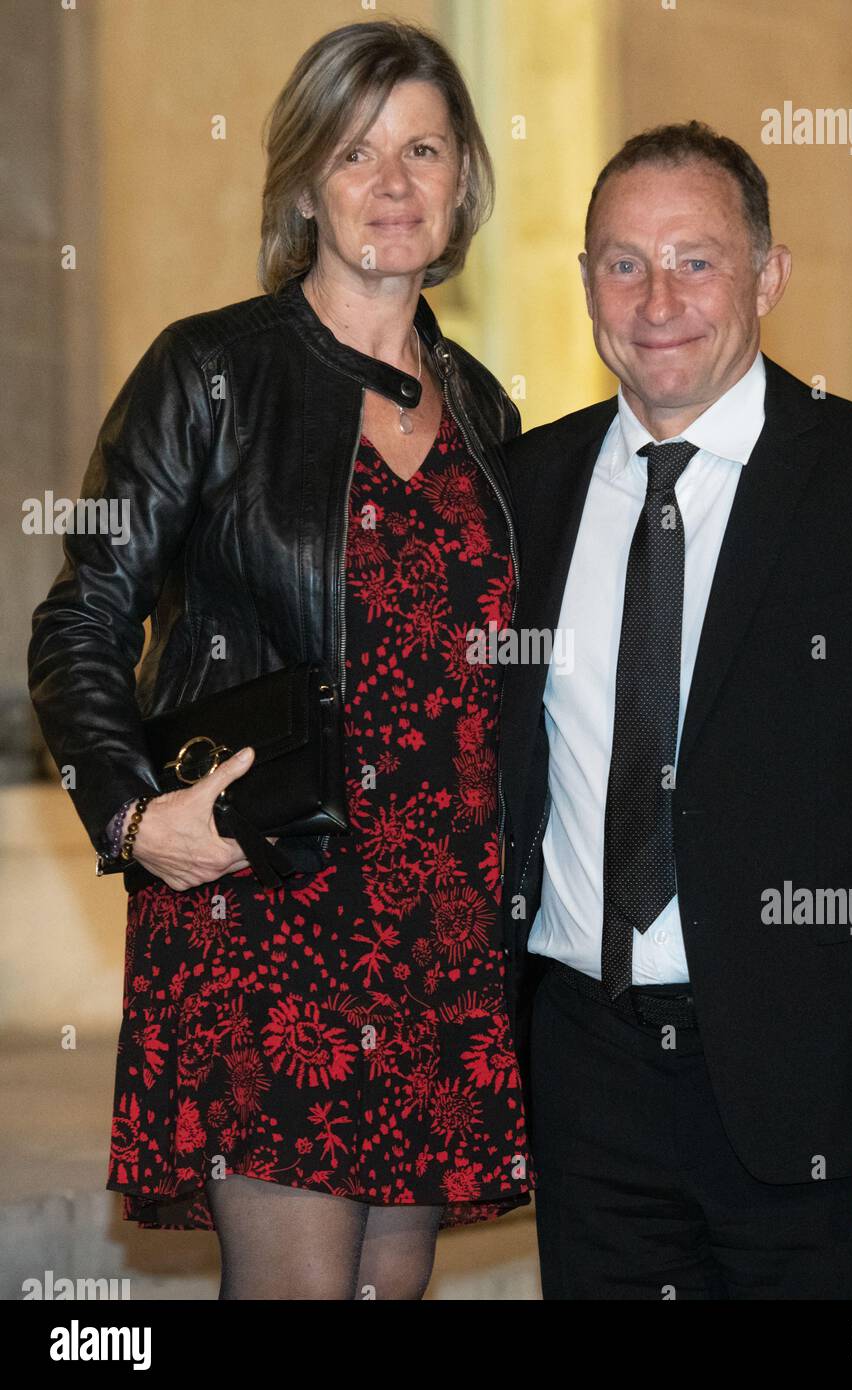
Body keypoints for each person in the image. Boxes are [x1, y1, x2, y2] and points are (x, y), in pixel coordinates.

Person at [28, 20, 531, 1301]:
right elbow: (80, 615)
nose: (395, 182)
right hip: (272, 899)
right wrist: (133, 815)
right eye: (357, 152)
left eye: (423, 148)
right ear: (305, 180)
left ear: (465, 179)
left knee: (389, 1292)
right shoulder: (208, 373)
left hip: (440, 923)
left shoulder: (484, 410)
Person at [500, 121, 852, 1300]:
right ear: (584, 284)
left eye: (696, 259)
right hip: (588, 1086)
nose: (655, 297)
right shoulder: (530, 485)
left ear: (768, 275)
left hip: (824, 1103)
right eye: (621, 262)